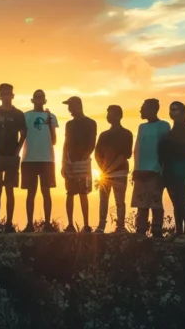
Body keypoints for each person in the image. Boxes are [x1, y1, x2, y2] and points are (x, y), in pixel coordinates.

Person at [0, 83, 27, 233]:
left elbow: (23, 134)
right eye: (3, 94)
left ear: (12, 95)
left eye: (8, 94)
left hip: (11, 156)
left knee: (10, 190)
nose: (6, 96)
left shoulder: (18, 114)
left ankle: (9, 224)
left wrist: (17, 152)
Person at [132, 99, 171, 237]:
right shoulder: (142, 127)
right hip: (140, 171)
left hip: (155, 171)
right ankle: (141, 230)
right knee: (141, 203)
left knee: (155, 202)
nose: (141, 110)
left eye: (143, 108)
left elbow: (165, 149)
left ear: (153, 109)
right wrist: (136, 169)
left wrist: (160, 170)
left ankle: (157, 230)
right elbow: (138, 148)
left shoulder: (164, 125)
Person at [22, 90, 59, 232]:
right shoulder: (26, 116)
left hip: (47, 159)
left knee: (46, 192)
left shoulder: (51, 116)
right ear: (32, 100)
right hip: (29, 159)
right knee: (30, 193)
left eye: (41, 98)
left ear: (45, 100)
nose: (39, 100)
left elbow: (54, 140)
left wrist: (49, 124)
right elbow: (22, 135)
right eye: (36, 98)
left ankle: (47, 224)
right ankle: (29, 224)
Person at [95, 105, 132, 234]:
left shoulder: (126, 134)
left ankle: (120, 226)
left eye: (111, 114)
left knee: (119, 201)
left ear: (119, 116)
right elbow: (97, 154)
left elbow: (125, 155)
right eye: (108, 114)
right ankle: (101, 226)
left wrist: (107, 169)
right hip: (105, 173)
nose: (108, 116)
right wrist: (103, 168)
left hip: (119, 172)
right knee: (103, 200)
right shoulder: (104, 135)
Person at [62, 96, 97, 233]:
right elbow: (66, 143)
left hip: (83, 162)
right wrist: (64, 161)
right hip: (70, 161)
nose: (69, 109)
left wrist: (83, 158)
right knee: (70, 192)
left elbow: (92, 143)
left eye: (71, 106)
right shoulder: (69, 124)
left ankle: (86, 224)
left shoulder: (90, 123)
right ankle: (70, 224)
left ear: (78, 106)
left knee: (83, 192)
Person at [164, 101, 185, 240]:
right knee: (176, 201)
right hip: (170, 169)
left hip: (181, 168)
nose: (173, 112)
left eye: (176, 109)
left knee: (182, 200)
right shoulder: (172, 130)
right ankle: (179, 230)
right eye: (172, 109)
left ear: (183, 112)